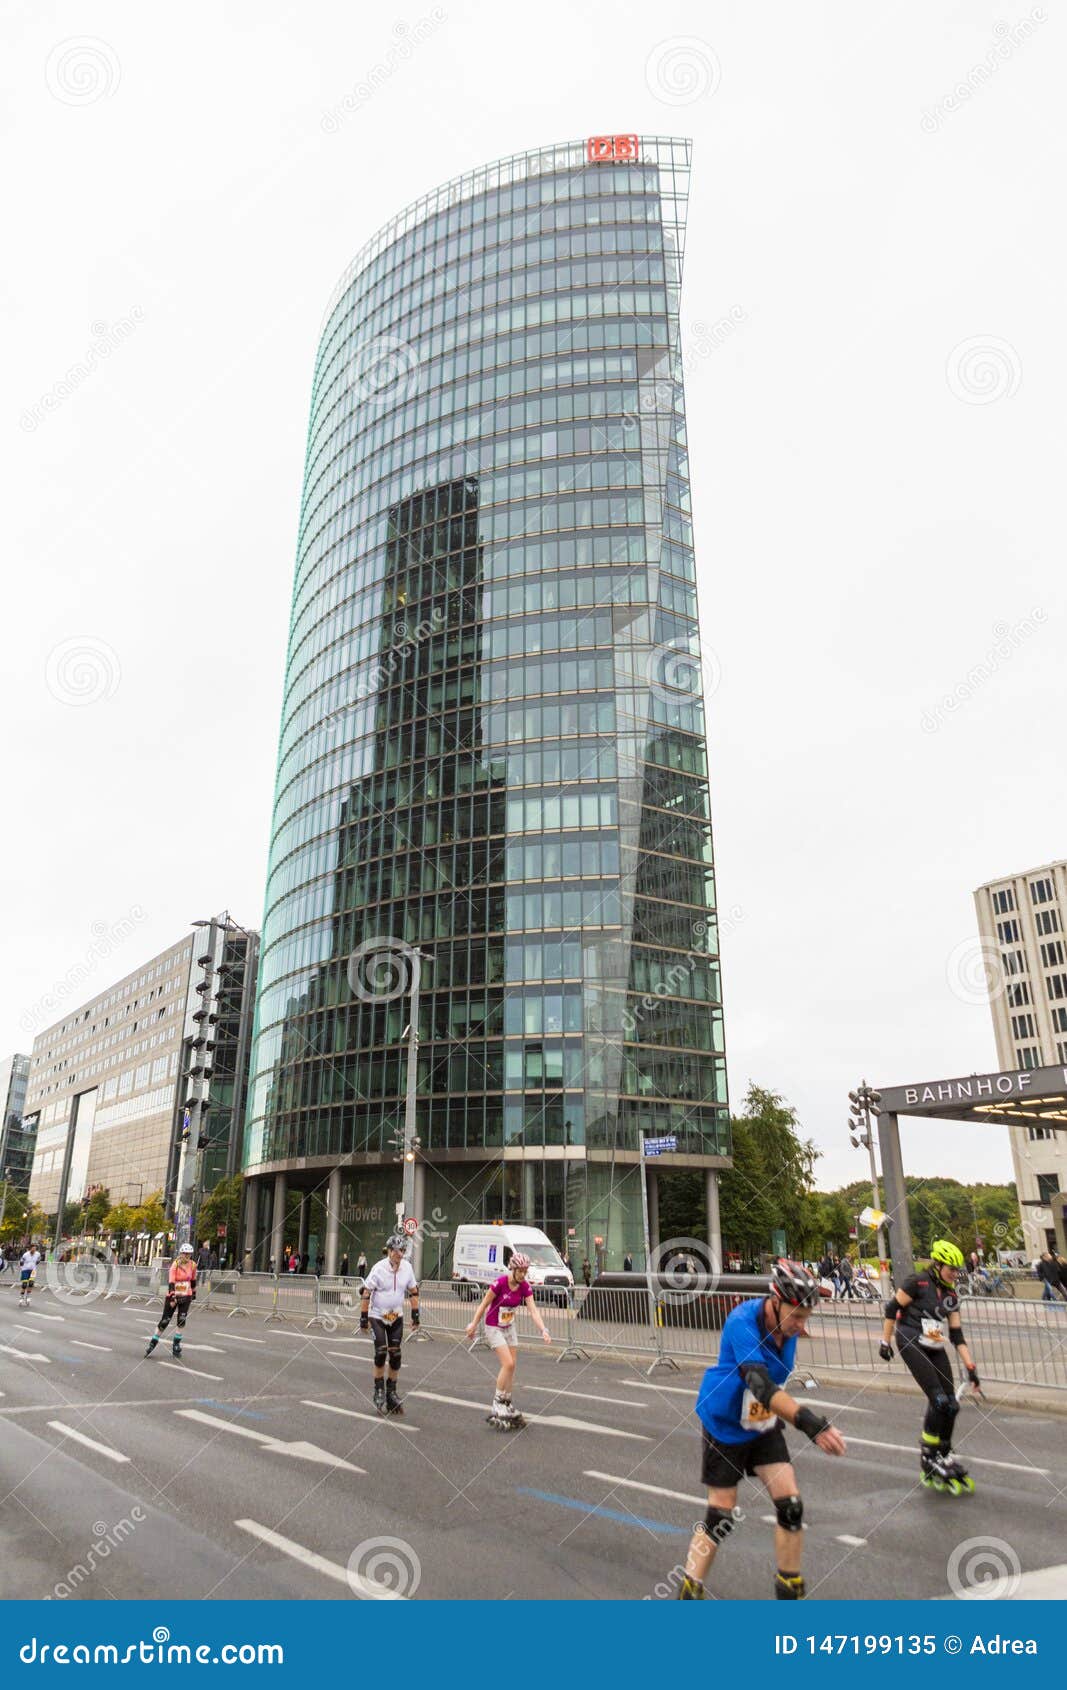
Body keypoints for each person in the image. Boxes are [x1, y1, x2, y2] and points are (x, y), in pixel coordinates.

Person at [675, 1259, 845, 1601]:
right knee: (720, 1516)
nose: (800, 1325)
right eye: (795, 1316)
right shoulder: (743, 1321)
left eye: (805, 1318)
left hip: (762, 1423)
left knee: (791, 1506)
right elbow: (761, 1384)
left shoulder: (790, 1328)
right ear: (774, 1300)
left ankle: (789, 1589)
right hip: (725, 1424)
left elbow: (768, 1394)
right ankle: (690, 1589)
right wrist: (811, 1423)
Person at [879, 1239, 981, 1493]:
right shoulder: (918, 1282)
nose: (955, 1274)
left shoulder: (951, 1295)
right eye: (951, 1269)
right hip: (910, 1338)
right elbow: (892, 1308)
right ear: (938, 1264)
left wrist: (971, 1367)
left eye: (958, 1270)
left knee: (952, 1404)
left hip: (933, 1341)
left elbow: (957, 1335)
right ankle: (928, 1456)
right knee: (938, 1400)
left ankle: (943, 1452)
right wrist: (885, 1341)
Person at [464, 1253, 552, 1430]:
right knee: (508, 1364)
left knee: (513, 1366)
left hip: (509, 1327)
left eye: (525, 1271)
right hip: (494, 1326)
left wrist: (543, 1329)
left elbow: (533, 1310)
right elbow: (483, 1304)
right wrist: (473, 1324)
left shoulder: (524, 1286)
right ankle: (497, 1401)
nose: (523, 1275)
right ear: (513, 1269)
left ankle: (507, 1401)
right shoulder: (500, 1283)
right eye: (520, 1271)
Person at [359, 1234, 419, 1414]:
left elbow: (414, 1292)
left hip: (396, 1317)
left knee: (396, 1355)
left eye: (402, 1251)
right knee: (380, 1353)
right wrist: (363, 1318)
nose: (399, 1254)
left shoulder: (407, 1268)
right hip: (377, 1315)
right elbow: (366, 1292)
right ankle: (378, 1389)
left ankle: (391, 1393)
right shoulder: (379, 1268)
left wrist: (416, 1316)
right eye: (395, 1251)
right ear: (389, 1251)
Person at [145, 1243, 198, 1358]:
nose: (187, 1256)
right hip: (173, 1295)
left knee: (182, 1320)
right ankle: (153, 1342)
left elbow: (193, 1280)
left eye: (189, 1254)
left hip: (186, 1295)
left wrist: (193, 1293)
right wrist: (173, 1296)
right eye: (185, 1254)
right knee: (165, 1320)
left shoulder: (193, 1265)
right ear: (181, 1254)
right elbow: (171, 1281)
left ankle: (176, 1345)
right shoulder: (175, 1265)